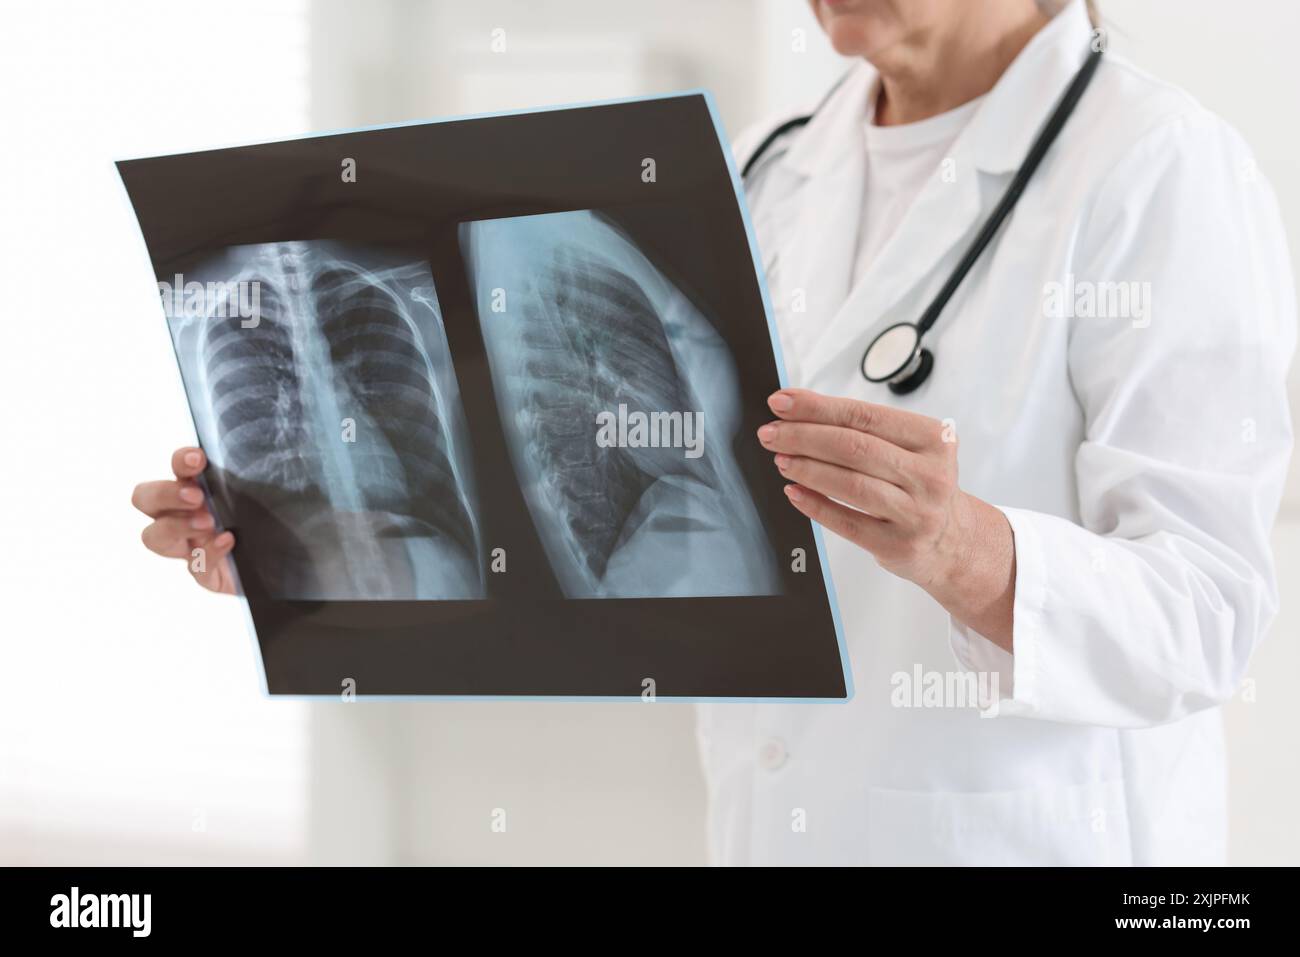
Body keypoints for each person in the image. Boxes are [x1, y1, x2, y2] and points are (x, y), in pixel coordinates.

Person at [133, 0, 1296, 865]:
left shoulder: (1156, 167)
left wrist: (964, 552)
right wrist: (306, 543)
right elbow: (585, 543)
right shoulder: (771, 161)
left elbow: (1210, 617)